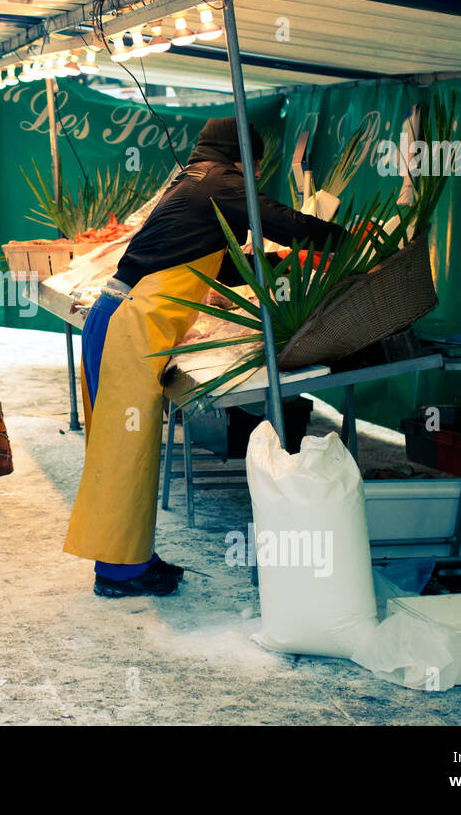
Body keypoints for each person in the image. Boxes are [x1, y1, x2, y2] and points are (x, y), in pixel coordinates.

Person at [66, 117, 347, 599]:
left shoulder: (191, 182)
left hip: (122, 322)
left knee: (128, 451)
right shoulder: (221, 182)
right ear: (244, 160)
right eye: (254, 168)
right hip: (127, 328)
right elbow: (285, 221)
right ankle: (116, 574)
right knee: (122, 450)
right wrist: (347, 242)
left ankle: (132, 559)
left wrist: (287, 264)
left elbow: (225, 268)